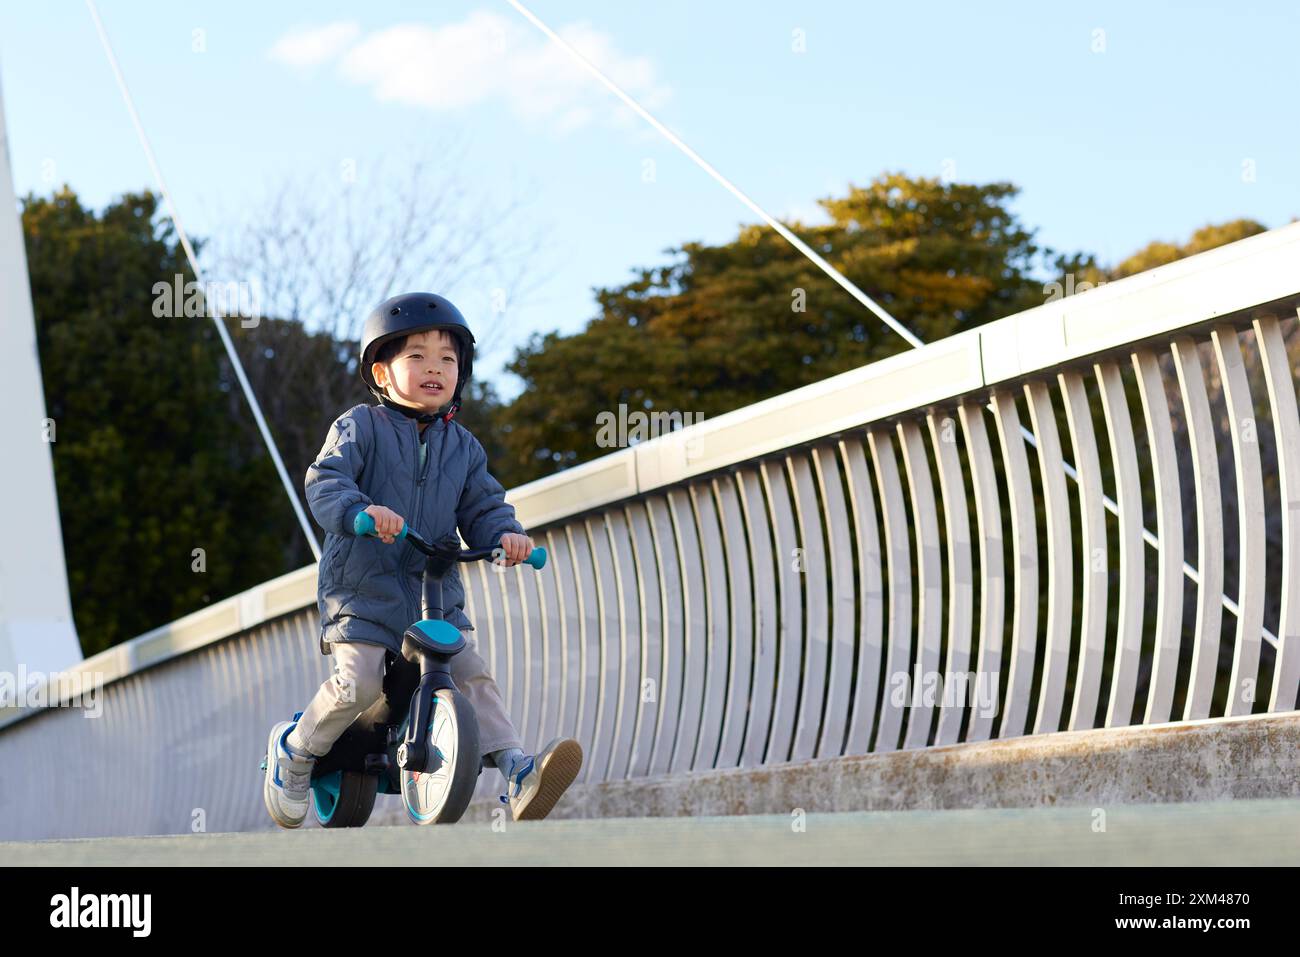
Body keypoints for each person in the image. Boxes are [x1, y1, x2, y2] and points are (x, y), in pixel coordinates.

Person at [263, 292, 582, 828]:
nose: (435, 367)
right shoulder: (359, 426)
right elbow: (326, 481)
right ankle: (295, 752)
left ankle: (517, 770)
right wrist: (361, 512)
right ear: (382, 373)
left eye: (447, 359)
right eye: (417, 356)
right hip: (363, 594)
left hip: (435, 598)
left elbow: (484, 506)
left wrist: (508, 539)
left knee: (473, 675)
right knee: (358, 684)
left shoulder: (464, 447)